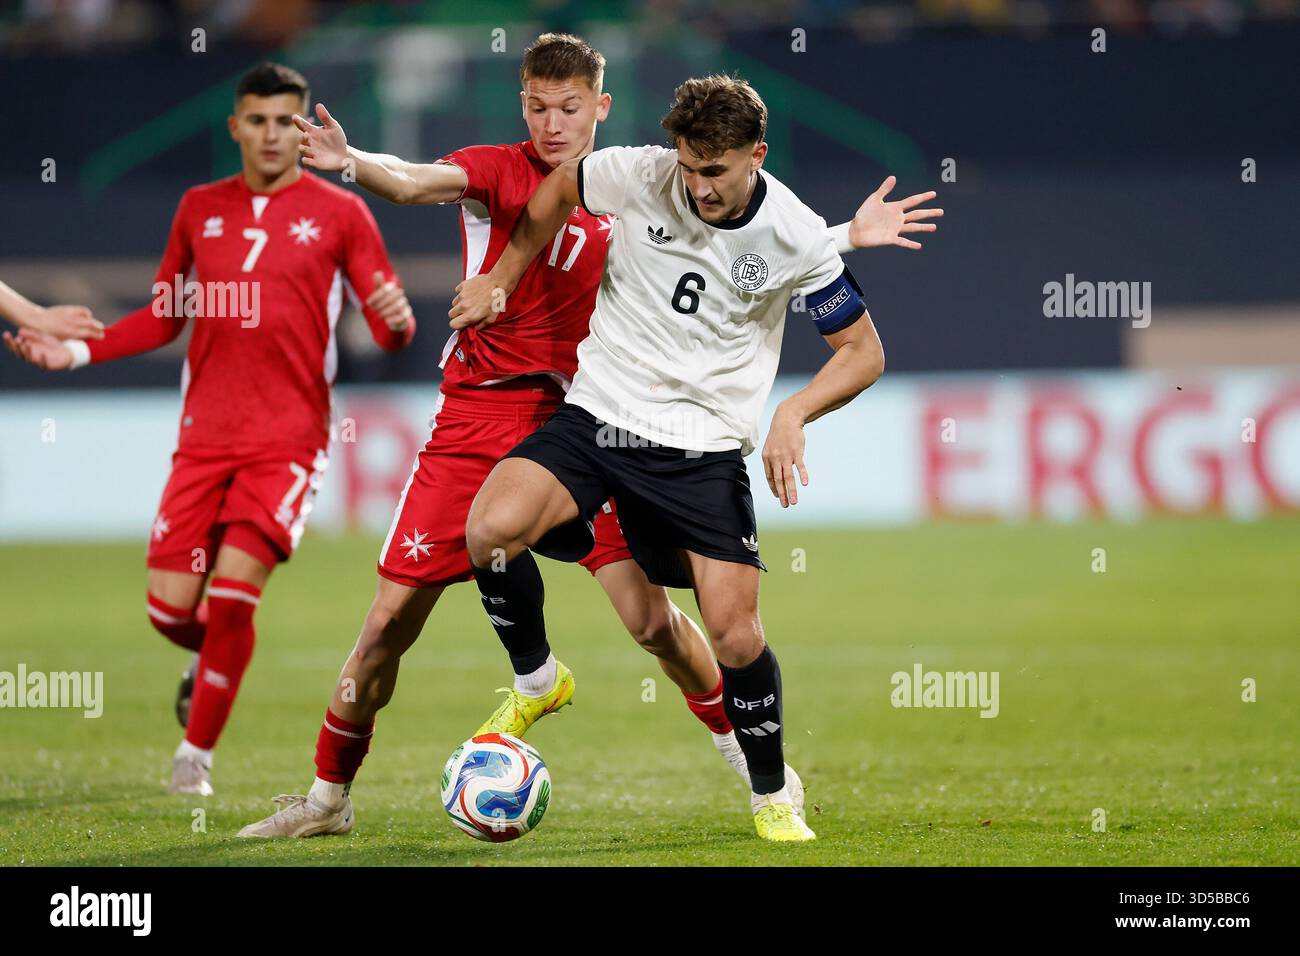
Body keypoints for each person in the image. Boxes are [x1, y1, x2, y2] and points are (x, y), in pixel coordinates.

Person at [237, 35, 937, 839]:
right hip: (527, 418)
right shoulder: (567, 173)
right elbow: (427, 181)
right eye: (537, 105)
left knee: (672, 623)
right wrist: (363, 167)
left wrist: (837, 260)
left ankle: (755, 765)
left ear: (600, 107)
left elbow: (769, 264)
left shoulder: (706, 207)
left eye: (569, 107)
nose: (552, 122)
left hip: (646, 430)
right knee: (418, 595)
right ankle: (369, 774)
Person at [449, 73, 928, 841]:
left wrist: (793, 413)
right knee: (489, 530)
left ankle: (772, 794)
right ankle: (539, 676)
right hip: (599, 418)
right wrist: (502, 278)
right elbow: (563, 185)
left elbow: (862, 353)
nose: (698, 186)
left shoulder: (798, 235)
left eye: (715, 171)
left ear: (756, 156)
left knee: (735, 635)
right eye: (688, 166)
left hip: (700, 449)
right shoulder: (641, 172)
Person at [4, 62, 416, 797]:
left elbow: (390, 332)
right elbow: (165, 315)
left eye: (284, 121)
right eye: (255, 120)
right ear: (234, 127)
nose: (269, 135)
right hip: (203, 440)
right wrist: (71, 350)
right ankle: (219, 658)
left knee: (231, 598)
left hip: (288, 442)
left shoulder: (341, 214)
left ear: (303, 129)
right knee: (170, 610)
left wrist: (396, 319)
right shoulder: (199, 208)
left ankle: (194, 757)